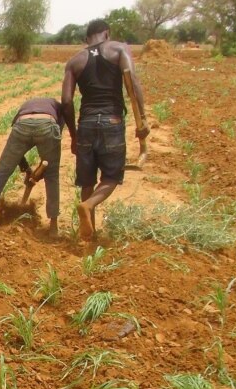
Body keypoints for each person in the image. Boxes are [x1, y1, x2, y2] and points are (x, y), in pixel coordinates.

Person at [61, 18, 148, 242]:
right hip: (112, 121)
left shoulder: (74, 61)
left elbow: (67, 101)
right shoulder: (119, 49)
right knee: (111, 176)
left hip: (87, 123)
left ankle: (88, 233)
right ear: (107, 34)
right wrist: (143, 119)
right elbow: (132, 82)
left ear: (86, 39)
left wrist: (73, 133)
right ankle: (88, 205)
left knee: (87, 180)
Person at [0, 96, 64, 238]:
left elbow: (16, 152)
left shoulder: (25, 107)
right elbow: (50, 153)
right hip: (48, 125)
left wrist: (31, 171)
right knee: (52, 177)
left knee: (1, 174)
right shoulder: (57, 109)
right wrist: (32, 171)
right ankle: (53, 229)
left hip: (21, 125)